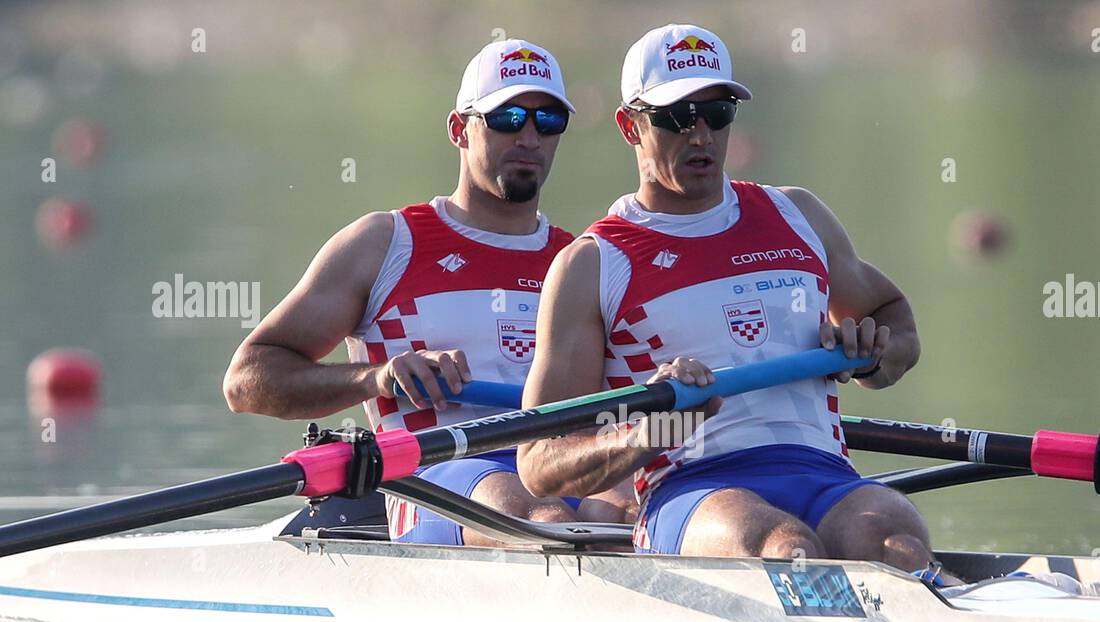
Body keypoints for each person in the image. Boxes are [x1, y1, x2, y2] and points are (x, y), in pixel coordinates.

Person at [517, 24, 943, 573]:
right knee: (781, 547)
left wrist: (875, 357)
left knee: (894, 536)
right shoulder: (594, 264)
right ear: (629, 126)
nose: (701, 135)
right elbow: (540, 461)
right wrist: (654, 430)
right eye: (676, 116)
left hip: (827, 477)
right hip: (694, 489)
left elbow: (896, 323)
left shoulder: (798, 215)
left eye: (717, 111)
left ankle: (958, 617)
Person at [223, 38, 631, 544]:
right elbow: (245, 381)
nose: (529, 137)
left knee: (626, 512)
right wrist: (376, 378)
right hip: (434, 473)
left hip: (559, 471)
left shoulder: (582, 262)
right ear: (460, 129)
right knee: (541, 520)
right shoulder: (384, 245)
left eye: (547, 121)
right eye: (507, 118)